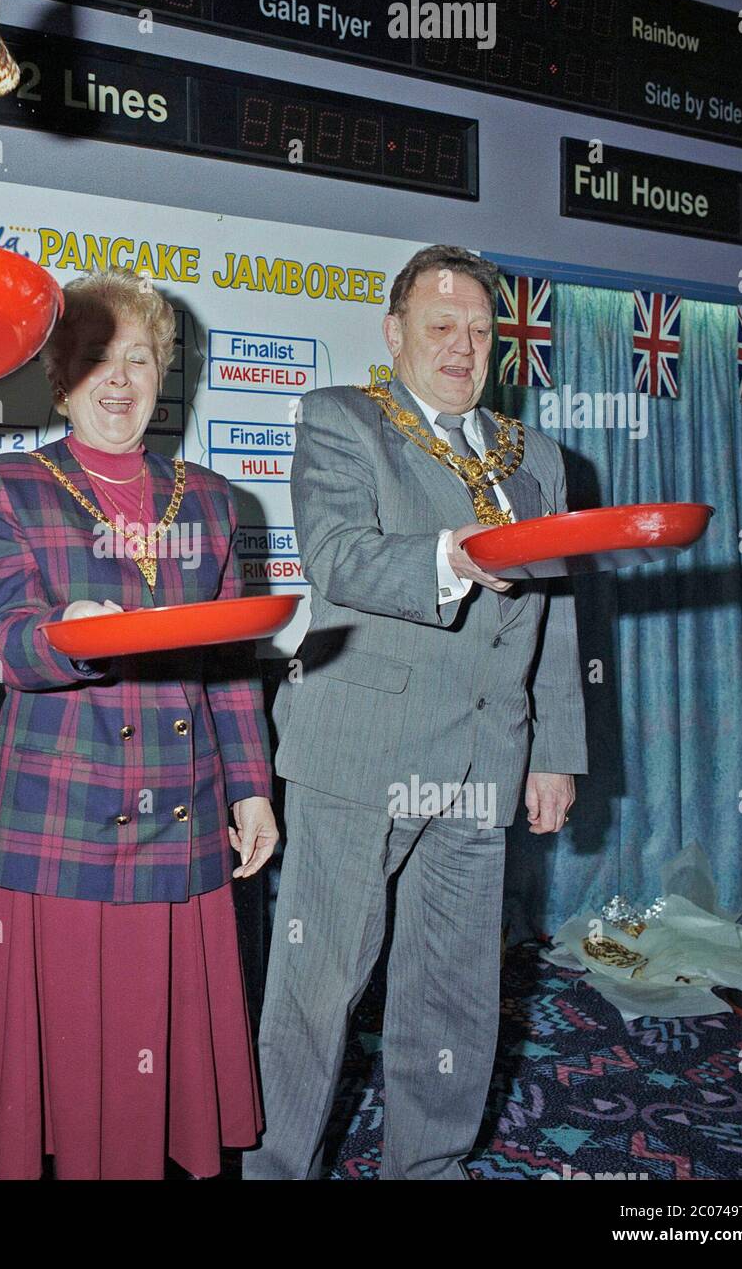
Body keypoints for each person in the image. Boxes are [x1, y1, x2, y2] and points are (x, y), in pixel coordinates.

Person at [246, 244, 588, 1181]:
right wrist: (455, 557)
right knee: (316, 993)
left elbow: (555, 616)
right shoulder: (342, 421)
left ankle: (428, 1167)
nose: (462, 346)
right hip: (361, 749)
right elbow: (340, 558)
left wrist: (553, 753)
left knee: (455, 993)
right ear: (395, 333)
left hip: (485, 758)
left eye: (479, 331)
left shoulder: (540, 459)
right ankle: (275, 1168)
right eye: (441, 326)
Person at [0, 269, 279, 1179]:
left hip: (182, 811)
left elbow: (229, 666)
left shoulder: (213, 499)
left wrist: (252, 788)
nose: (120, 378)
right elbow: (9, 643)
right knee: (62, 1061)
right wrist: (74, 637)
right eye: (98, 357)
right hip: (60, 815)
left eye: (140, 358)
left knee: (157, 1055)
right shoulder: (13, 487)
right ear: (61, 378)